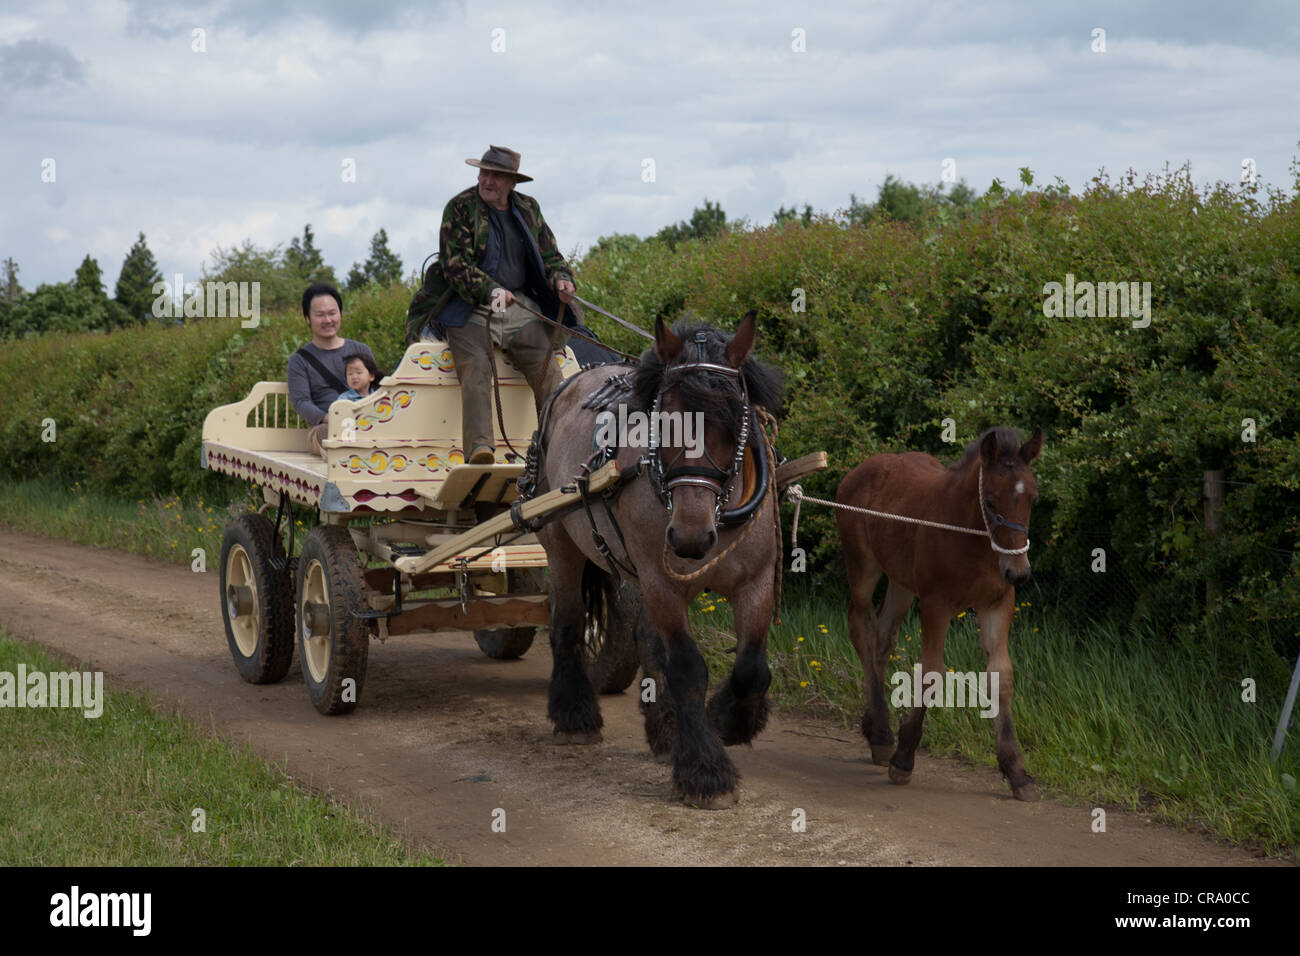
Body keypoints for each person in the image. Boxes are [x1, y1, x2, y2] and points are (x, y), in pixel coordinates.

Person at [404, 145, 590, 465]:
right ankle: (480, 450)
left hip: (517, 305)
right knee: (475, 364)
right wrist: (491, 290)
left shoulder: (529, 208)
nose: (487, 181)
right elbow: (455, 266)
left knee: (546, 364)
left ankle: (557, 444)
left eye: (496, 176)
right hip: (467, 305)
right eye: (484, 173)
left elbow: (551, 257)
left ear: (512, 182)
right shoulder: (459, 208)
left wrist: (562, 278)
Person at [287, 283, 377, 457]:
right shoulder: (299, 361)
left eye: (332, 313)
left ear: (340, 314)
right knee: (327, 434)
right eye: (320, 315)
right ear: (308, 318)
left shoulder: (361, 350)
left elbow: (377, 388)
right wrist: (334, 418)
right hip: (326, 427)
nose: (328, 320)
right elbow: (301, 403)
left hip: (366, 422)